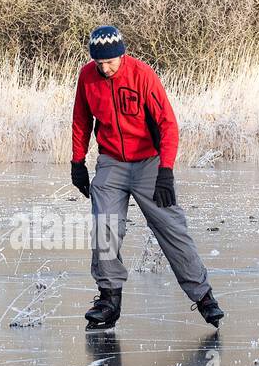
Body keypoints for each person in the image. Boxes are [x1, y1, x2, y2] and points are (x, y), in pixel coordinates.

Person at [70, 25, 224, 330]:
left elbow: (168, 124)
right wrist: (77, 162)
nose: (105, 68)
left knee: (172, 228)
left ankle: (204, 297)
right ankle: (108, 300)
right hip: (111, 162)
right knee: (105, 227)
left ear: (122, 54)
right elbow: (81, 120)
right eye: (99, 62)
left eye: (110, 61)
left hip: (149, 163)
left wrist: (166, 170)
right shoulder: (88, 77)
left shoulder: (142, 75)